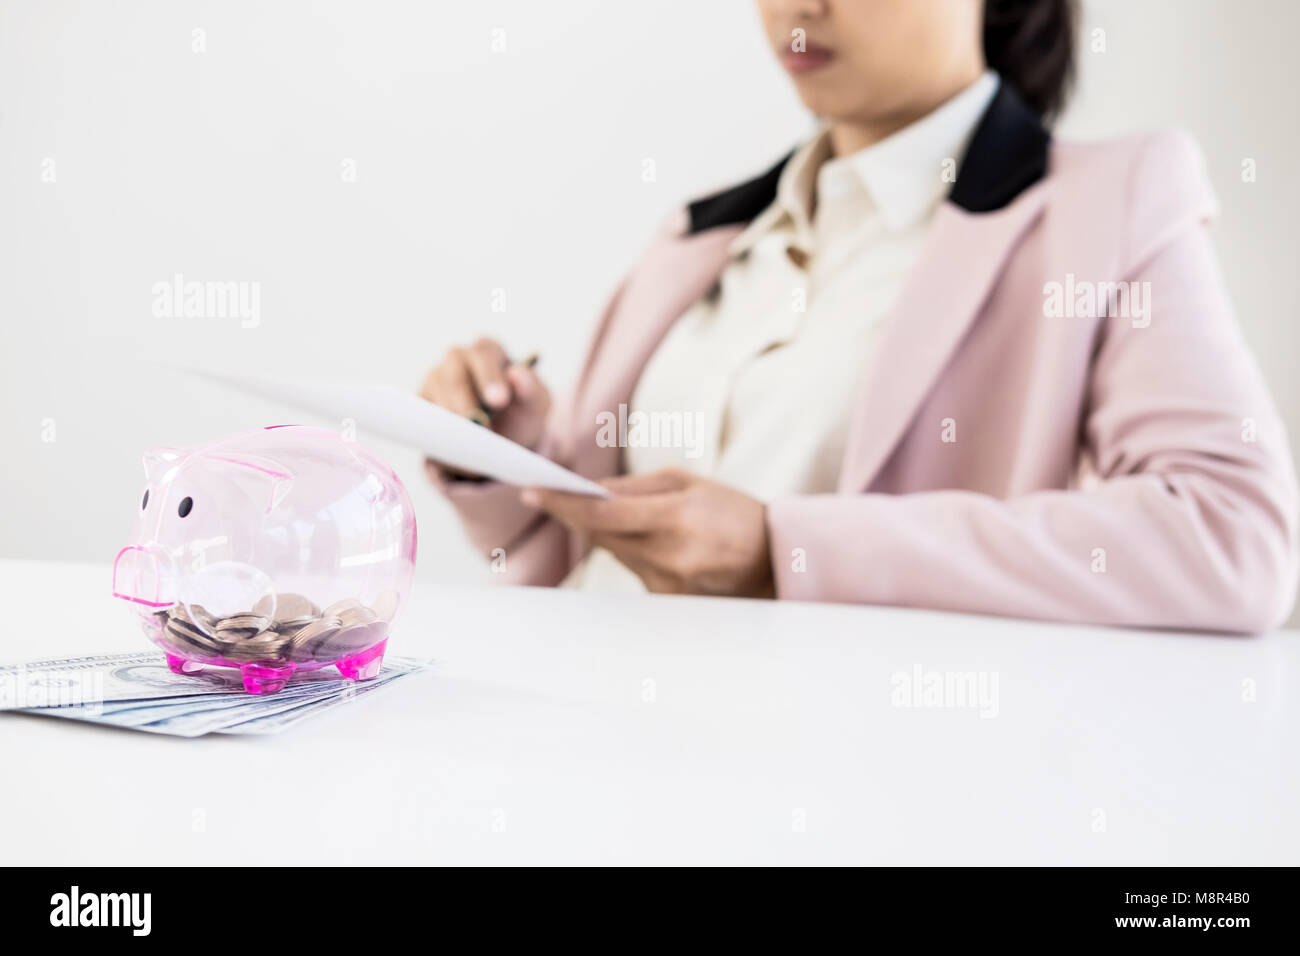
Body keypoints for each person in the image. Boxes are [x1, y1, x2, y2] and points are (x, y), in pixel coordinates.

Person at [421, 0, 1298, 632]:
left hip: (841, 786)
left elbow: (1233, 536)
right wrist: (510, 457)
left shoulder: (1107, 205)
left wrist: (785, 550)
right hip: (577, 741)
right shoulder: (699, 233)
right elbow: (566, 562)